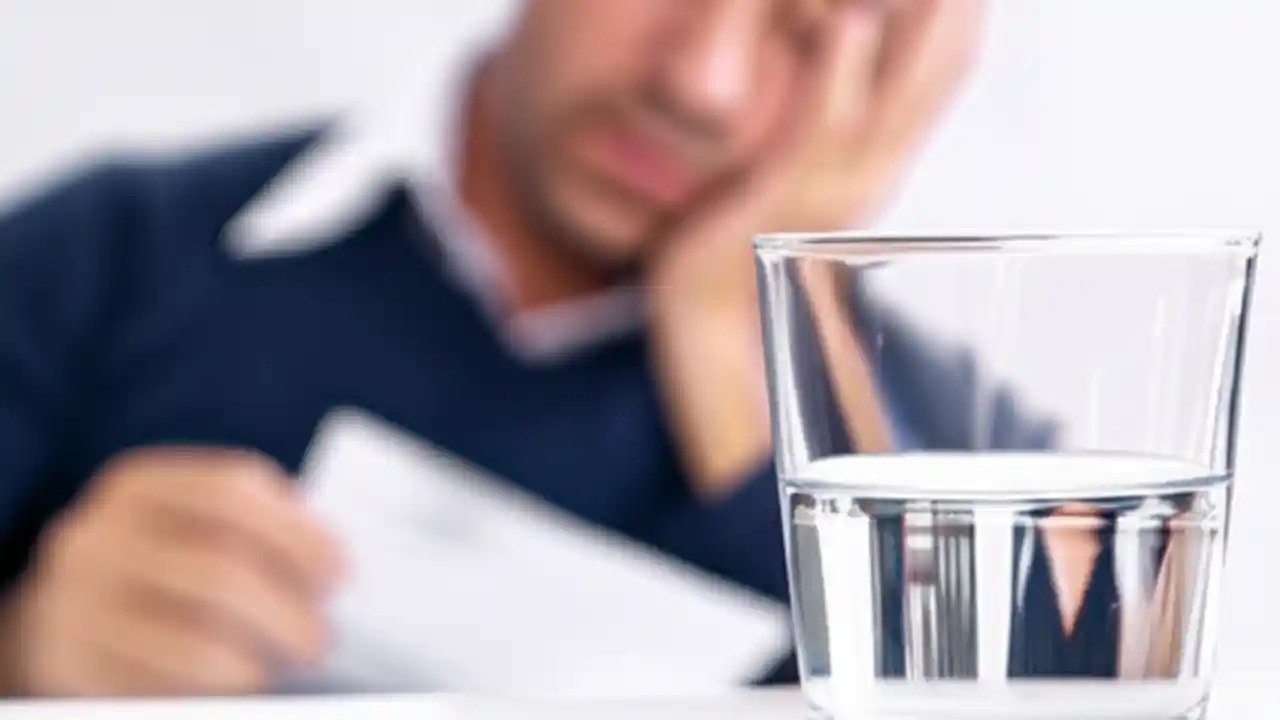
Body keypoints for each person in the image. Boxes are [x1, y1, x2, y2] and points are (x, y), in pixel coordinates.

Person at [0, 0, 1020, 696]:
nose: (697, 84)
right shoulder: (100, 260)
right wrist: (19, 660)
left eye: (806, 31)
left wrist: (736, 344)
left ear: (895, 97)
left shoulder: (964, 476)